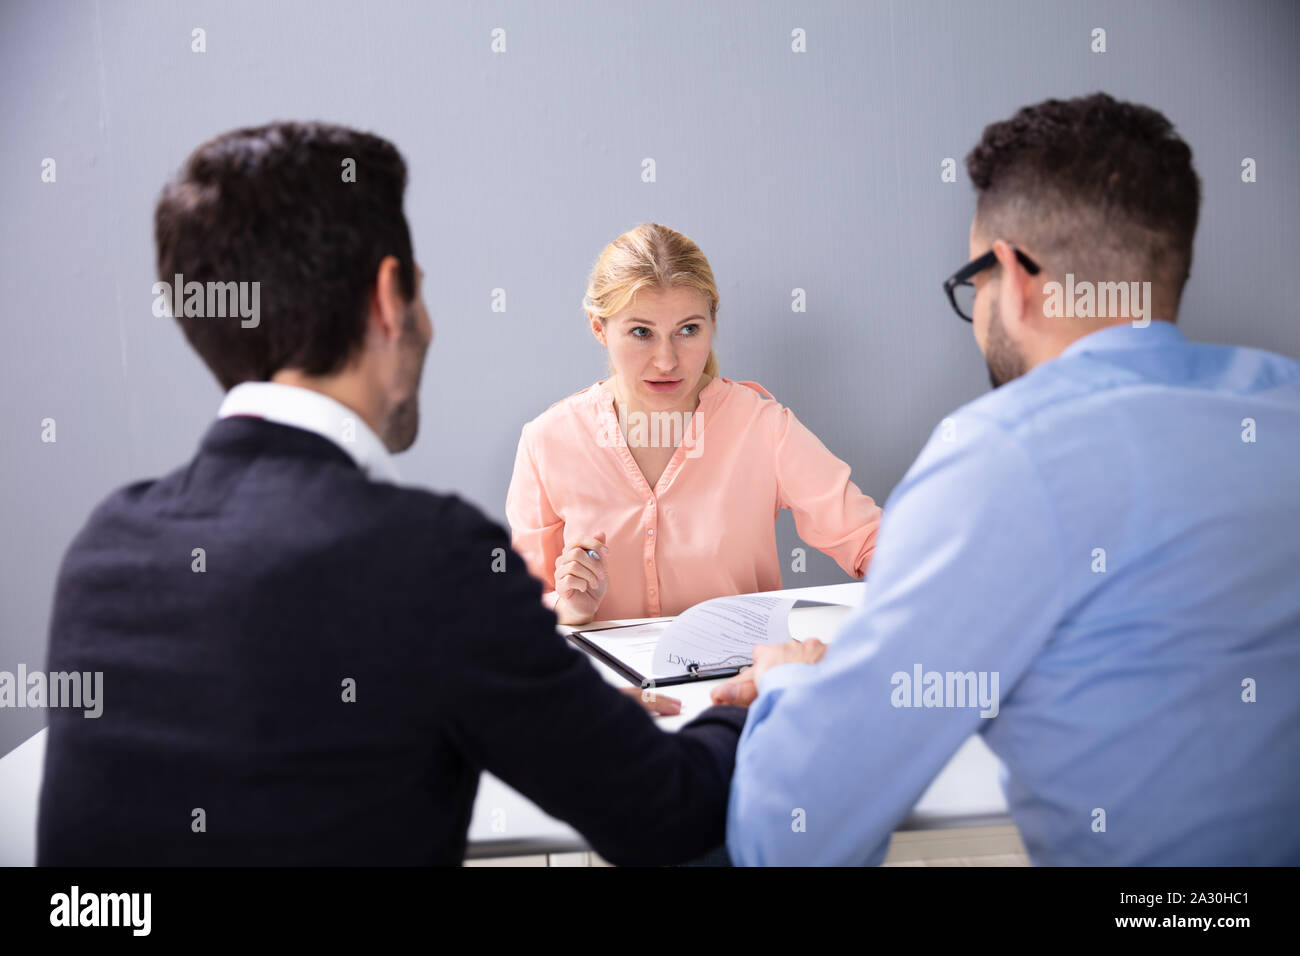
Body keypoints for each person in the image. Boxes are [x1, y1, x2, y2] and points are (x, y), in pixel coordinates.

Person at [37, 122, 748, 867]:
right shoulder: (432, 560)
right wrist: (768, 696)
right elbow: (672, 812)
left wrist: (562, 715)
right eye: (421, 288)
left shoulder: (103, 552)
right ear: (389, 299)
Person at [718, 92, 1300, 865]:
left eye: (975, 280)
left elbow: (788, 841)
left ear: (1013, 276)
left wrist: (794, 687)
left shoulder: (1001, 459)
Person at [506, 223, 883, 626]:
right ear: (599, 328)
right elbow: (520, 610)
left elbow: (872, 545)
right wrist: (569, 607)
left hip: (737, 683)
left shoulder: (763, 428)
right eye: (641, 332)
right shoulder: (547, 441)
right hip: (604, 687)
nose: (667, 361)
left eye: (688, 330)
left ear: (712, 322)